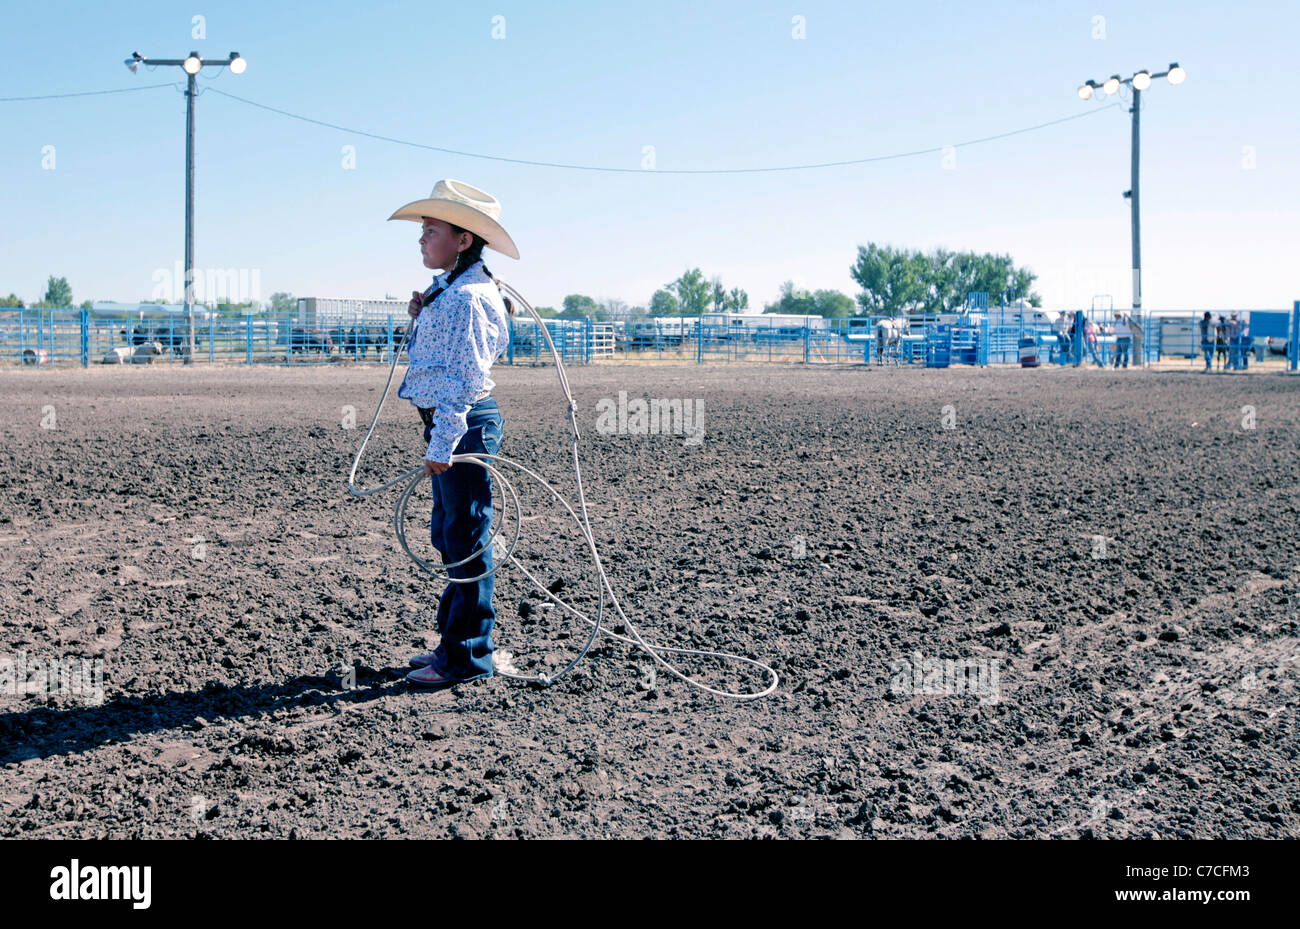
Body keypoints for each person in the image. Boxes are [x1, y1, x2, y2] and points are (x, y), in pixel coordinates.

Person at [387, 179, 520, 688]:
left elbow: (463, 380)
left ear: (463, 240)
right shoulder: (455, 290)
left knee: (464, 538)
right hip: (452, 426)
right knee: (450, 534)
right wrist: (423, 314)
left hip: (460, 427)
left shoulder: (465, 297)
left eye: (431, 230)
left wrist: (442, 444)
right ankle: (455, 645)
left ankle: (467, 657)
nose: (421, 240)